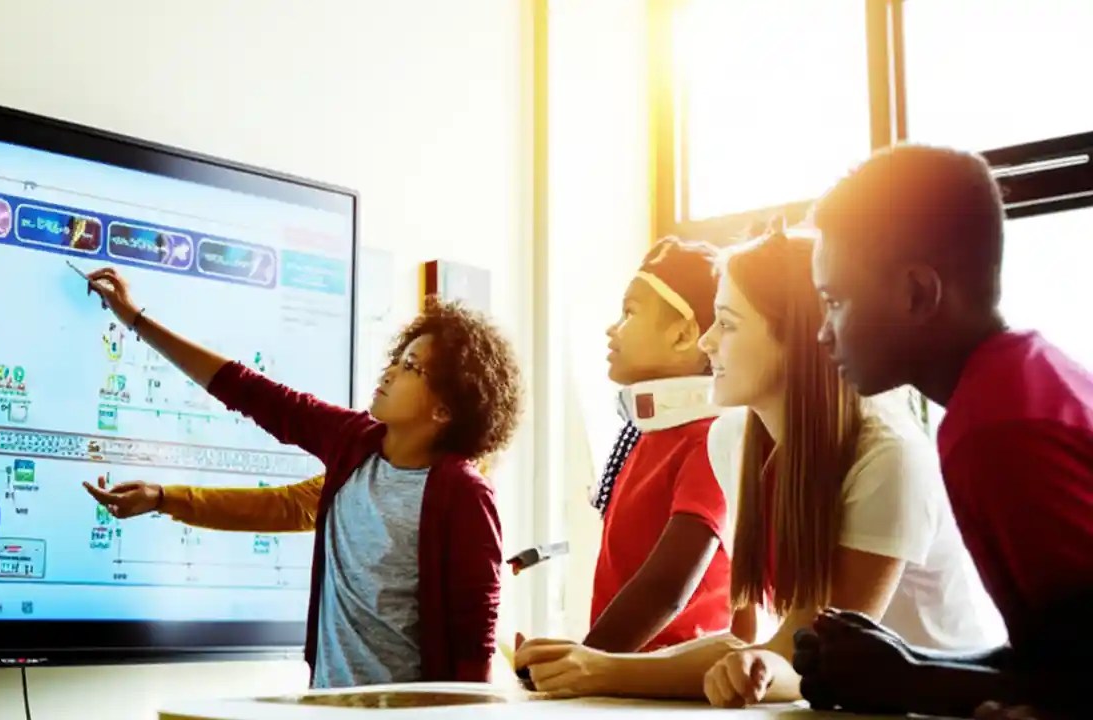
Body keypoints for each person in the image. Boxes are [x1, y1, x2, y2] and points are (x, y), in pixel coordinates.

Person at [515, 227, 995, 705]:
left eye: (727, 322)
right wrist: (581, 663)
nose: (706, 342)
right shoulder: (731, 441)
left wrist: (602, 669)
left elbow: (815, 655)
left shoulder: (888, 458)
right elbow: (753, 648)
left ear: (797, 339)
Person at [79, 267, 524, 688]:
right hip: (326, 705)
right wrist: (135, 319)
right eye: (399, 359)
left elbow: (474, 646)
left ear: (444, 410)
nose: (390, 370)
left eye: (411, 367)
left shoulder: (464, 494)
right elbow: (245, 389)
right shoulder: (352, 442)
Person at [797, 143, 1093, 719]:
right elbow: (1057, 655)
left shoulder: (997, 429)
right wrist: (903, 663)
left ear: (917, 293)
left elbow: (1082, 681)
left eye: (834, 302)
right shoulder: (1029, 377)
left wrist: (910, 684)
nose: (822, 335)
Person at [584, 236, 739, 654]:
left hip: (677, 694)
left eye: (628, 312)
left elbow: (667, 587)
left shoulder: (711, 438)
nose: (612, 328)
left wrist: (582, 664)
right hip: (624, 680)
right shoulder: (647, 436)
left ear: (685, 335)